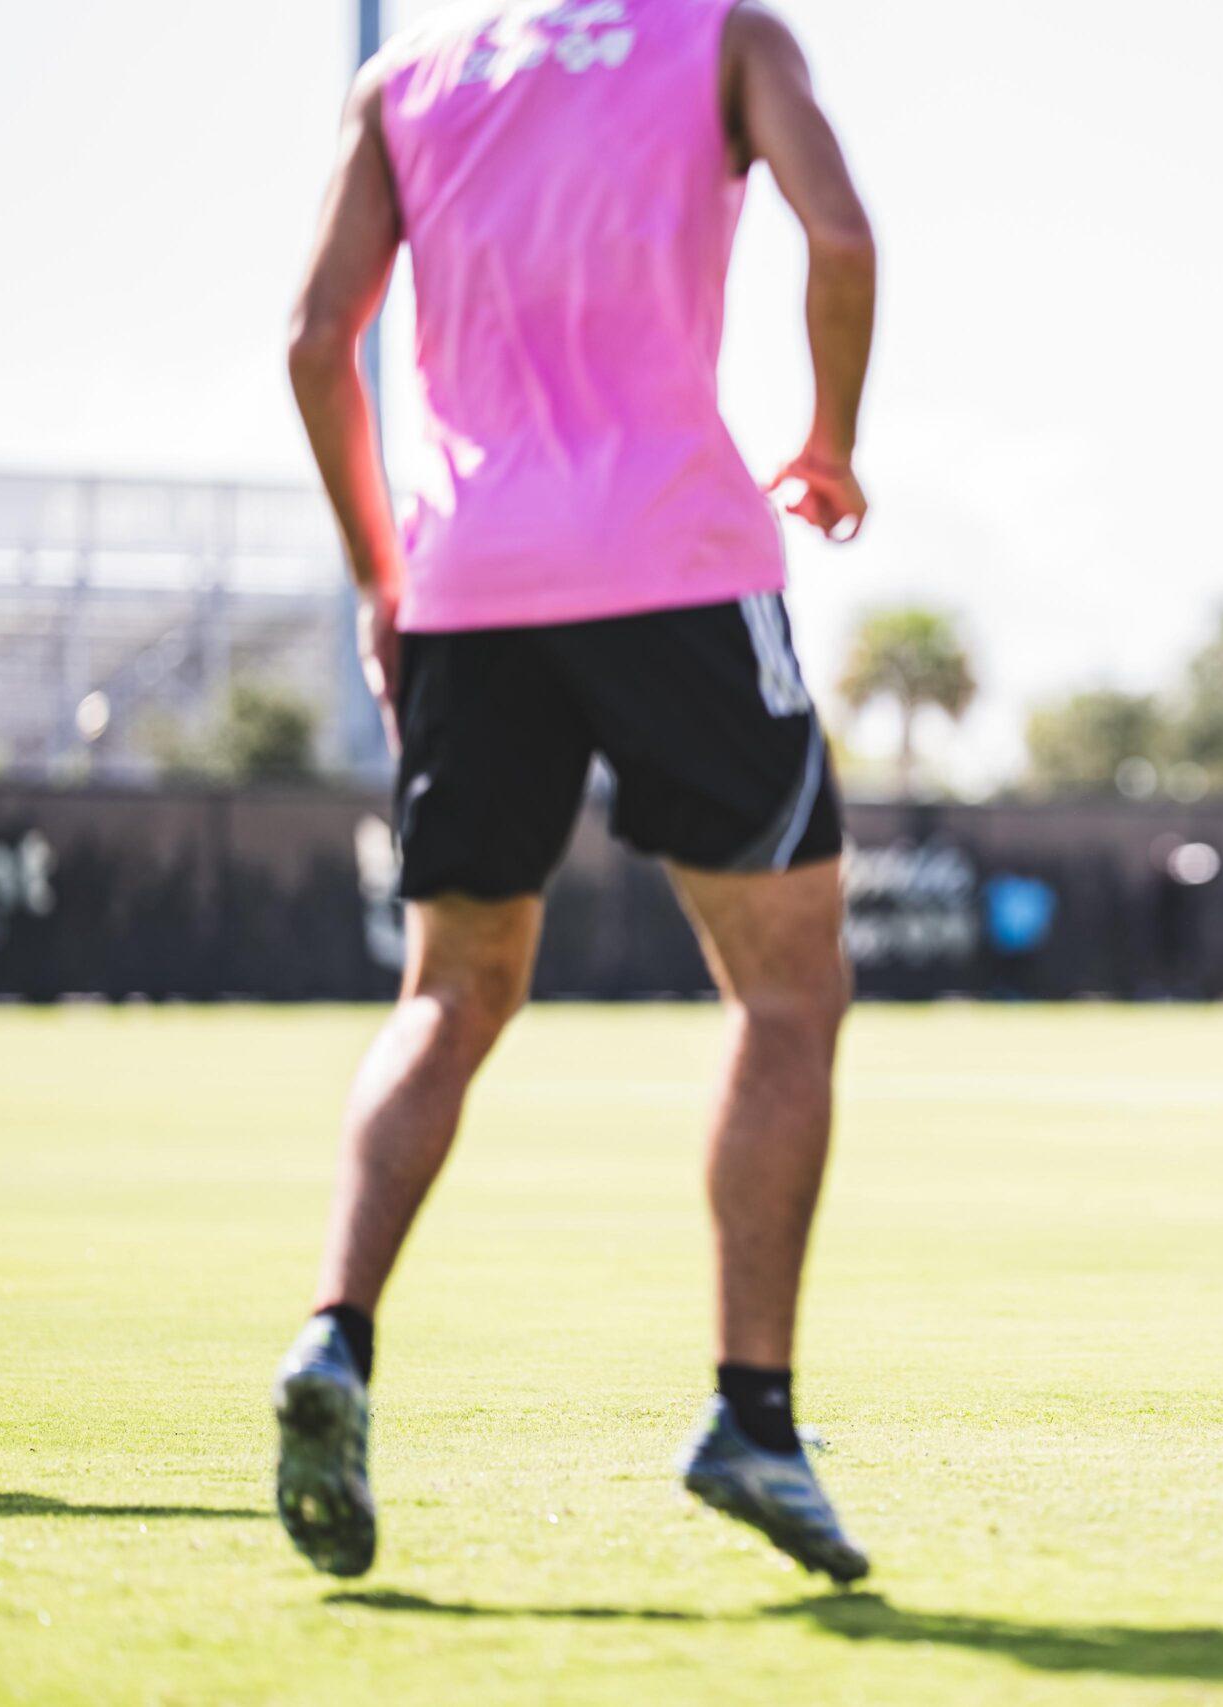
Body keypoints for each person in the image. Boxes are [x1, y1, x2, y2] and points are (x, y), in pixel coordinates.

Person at [275, 0, 876, 1584]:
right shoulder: (726, 34)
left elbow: (311, 339)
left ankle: (335, 1337)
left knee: (451, 991)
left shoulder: (404, 76)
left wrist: (381, 578)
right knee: (789, 992)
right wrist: (831, 441)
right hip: (671, 559)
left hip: (471, 583)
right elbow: (844, 239)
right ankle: (752, 1412)